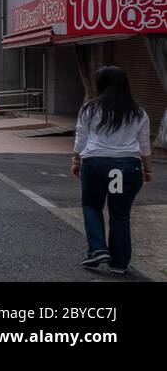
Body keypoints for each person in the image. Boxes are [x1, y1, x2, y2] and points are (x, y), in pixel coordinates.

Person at [73, 66, 154, 274]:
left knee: (92, 206)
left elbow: (81, 137)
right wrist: (148, 169)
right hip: (127, 167)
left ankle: (98, 248)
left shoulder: (89, 108)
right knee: (120, 215)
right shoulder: (139, 112)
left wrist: (76, 160)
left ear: (101, 85)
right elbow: (144, 145)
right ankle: (119, 263)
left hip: (96, 164)